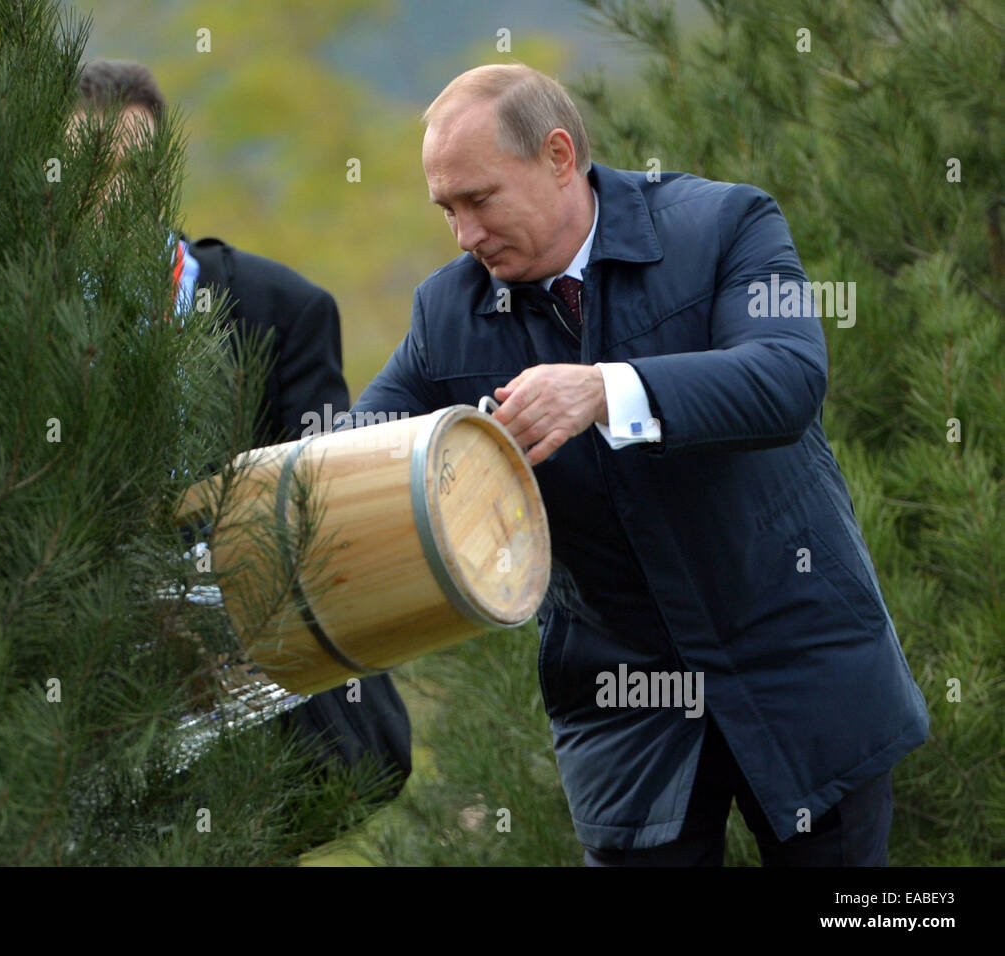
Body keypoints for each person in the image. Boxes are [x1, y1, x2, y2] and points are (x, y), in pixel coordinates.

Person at [350, 63, 928, 866]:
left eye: (479, 200)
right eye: (447, 209)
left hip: (804, 674)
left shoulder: (730, 222)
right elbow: (355, 456)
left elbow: (789, 378)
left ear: (559, 156)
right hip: (623, 711)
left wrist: (603, 390)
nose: (464, 236)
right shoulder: (443, 314)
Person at [75, 60, 413, 807]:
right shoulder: (11, 316)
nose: (112, 191)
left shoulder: (283, 309)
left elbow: (317, 522)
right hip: (74, 718)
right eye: (85, 169)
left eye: (136, 166)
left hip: (249, 721)